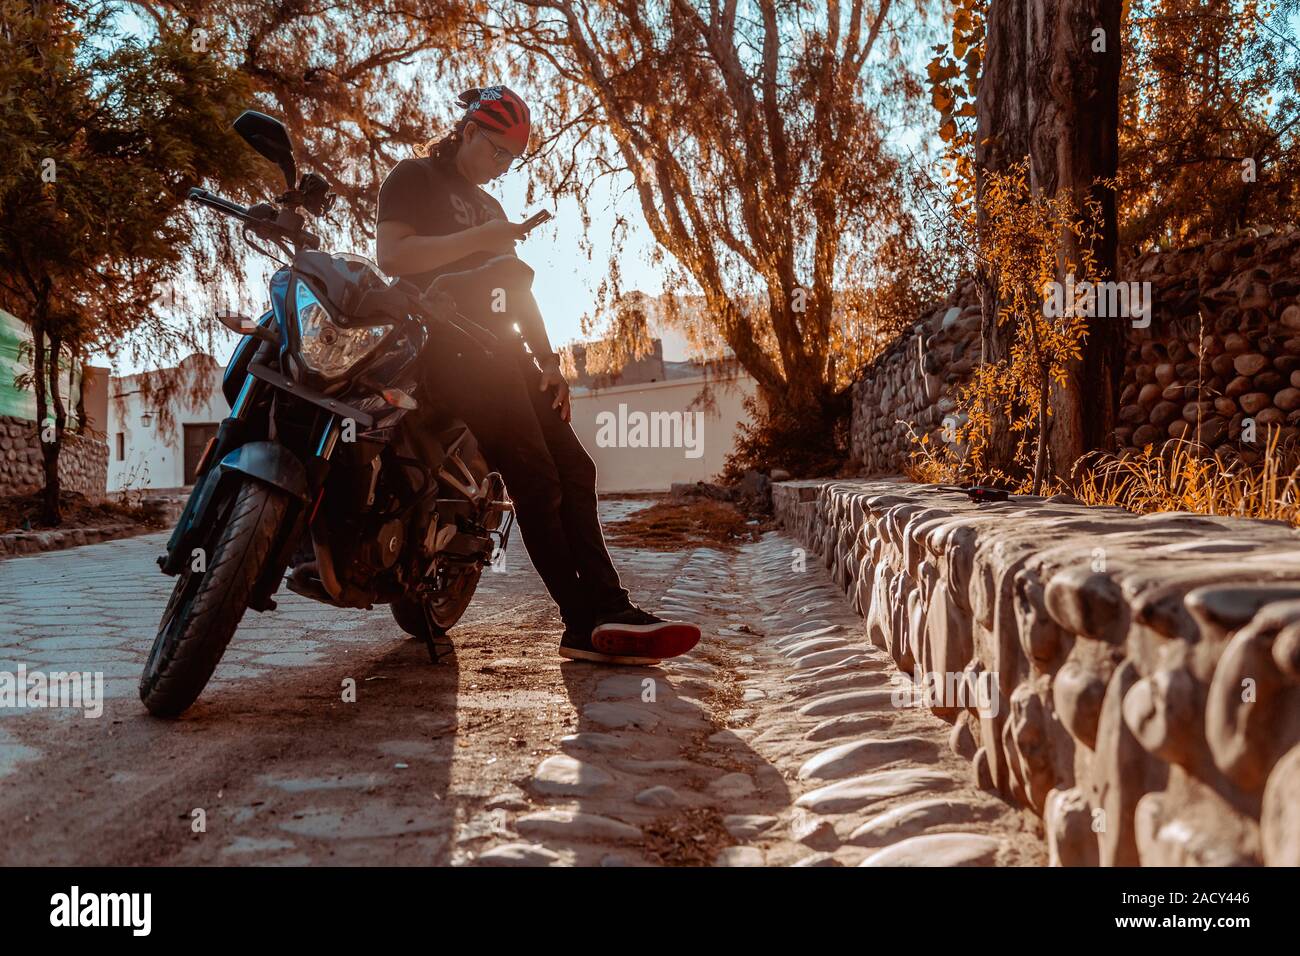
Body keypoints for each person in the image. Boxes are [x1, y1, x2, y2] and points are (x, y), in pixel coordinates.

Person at [375, 85, 701, 666]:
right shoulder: (413, 177)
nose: (502, 168)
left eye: (511, 161)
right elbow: (394, 257)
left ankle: (608, 605)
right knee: (538, 481)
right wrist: (481, 240)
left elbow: (517, 290)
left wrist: (548, 361)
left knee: (577, 469)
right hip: (448, 354)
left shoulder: (493, 208)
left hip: (506, 354)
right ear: (470, 131)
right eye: (498, 153)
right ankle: (582, 622)